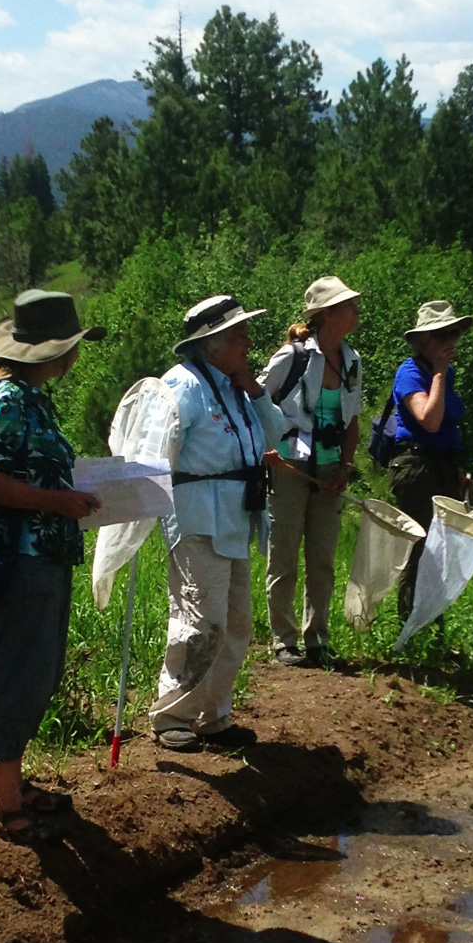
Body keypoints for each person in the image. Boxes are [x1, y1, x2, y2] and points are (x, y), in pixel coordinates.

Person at [0, 290, 104, 844]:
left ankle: (11, 786)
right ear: (55, 351)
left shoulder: (32, 397)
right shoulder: (9, 399)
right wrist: (56, 502)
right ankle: (5, 805)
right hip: (19, 558)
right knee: (16, 672)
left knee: (35, 671)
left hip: (42, 555)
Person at [140, 295, 288, 753]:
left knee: (237, 623)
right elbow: (150, 453)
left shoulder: (235, 385)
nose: (248, 341)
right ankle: (171, 716)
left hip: (238, 518)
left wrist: (256, 391)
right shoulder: (180, 387)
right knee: (199, 620)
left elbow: (275, 433)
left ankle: (211, 712)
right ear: (211, 343)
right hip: (198, 518)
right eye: (238, 334)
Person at [260, 276, 364, 667]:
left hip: (329, 467)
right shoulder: (292, 356)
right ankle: (283, 642)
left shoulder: (352, 361)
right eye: (348, 305)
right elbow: (257, 401)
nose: (356, 311)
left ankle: (317, 638)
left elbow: (351, 420)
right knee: (284, 553)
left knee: (322, 556)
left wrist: (346, 466)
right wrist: (263, 450)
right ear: (328, 314)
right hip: (288, 464)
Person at [385, 300, 473, 617]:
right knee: (420, 548)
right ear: (422, 340)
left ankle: (432, 626)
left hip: (443, 466)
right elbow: (429, 419)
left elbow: (447, 428)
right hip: (416, 470)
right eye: (440, 335)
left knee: (444, 550)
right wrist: (438, 372)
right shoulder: (410, 373)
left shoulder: (444, 376)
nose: (449, 341)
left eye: (453, 334)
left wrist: (459, 470)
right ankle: (408, 625)